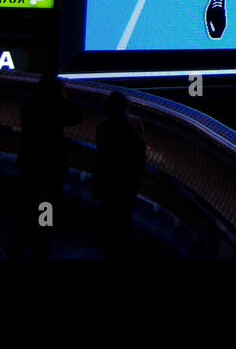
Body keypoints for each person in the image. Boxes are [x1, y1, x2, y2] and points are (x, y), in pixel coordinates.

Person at [15, 72, 83, 259]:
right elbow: (77, 116)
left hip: (29, 165)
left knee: (26, 209)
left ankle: (19, 247)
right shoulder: (57, 108)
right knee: (46, 209)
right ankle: (41, 248)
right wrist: (63, 98)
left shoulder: (29, 105)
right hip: (51, 170)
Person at [94, 90, 147, 259]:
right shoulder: (135, 125)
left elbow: (101, 156)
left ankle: (108, 252)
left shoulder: (102, 127)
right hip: (127, 181)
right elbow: (140, 154)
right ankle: (123, 252)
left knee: (108, 219)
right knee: (124, 218)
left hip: (108, 180)